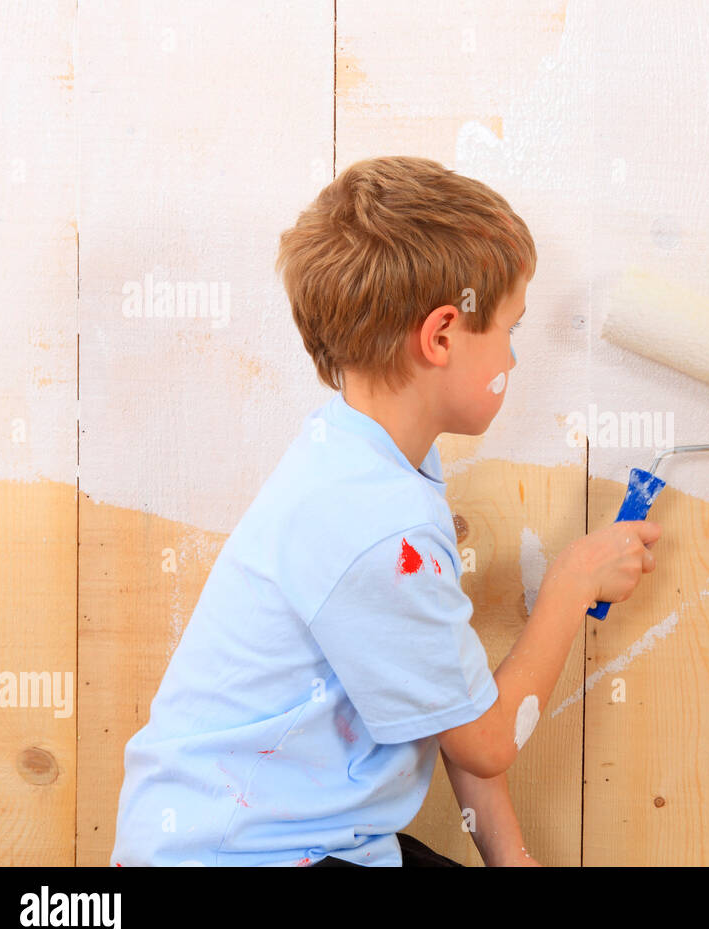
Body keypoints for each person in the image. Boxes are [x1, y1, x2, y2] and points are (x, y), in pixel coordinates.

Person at [109, 156, 661, 866]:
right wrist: (569, 585)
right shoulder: (377, 522)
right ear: (440, 337)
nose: (515, 363)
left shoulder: (365, 461)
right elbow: (487, 740)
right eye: (509, 333)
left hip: (292, 841)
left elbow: (455, 715)